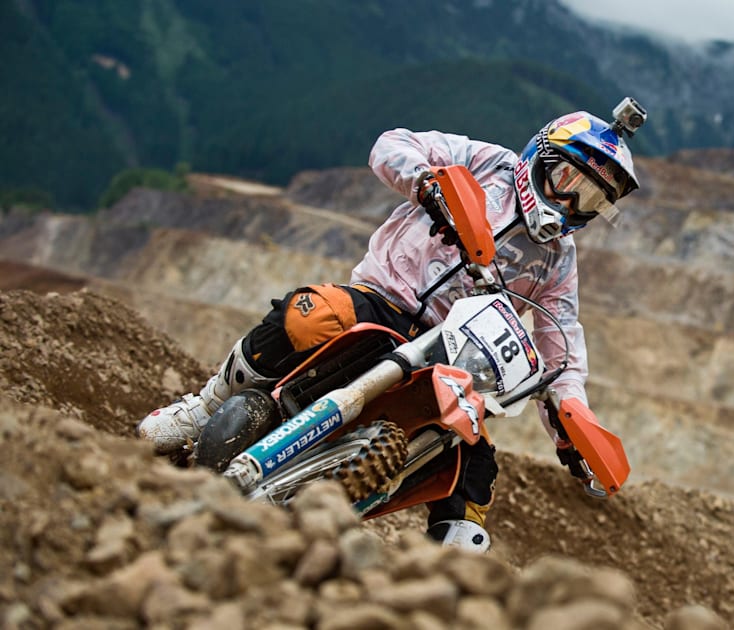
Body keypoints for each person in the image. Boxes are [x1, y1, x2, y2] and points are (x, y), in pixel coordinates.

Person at [138, 98, 646, 552]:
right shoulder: (485, 162)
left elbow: (561, 342)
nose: (573, 204)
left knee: (475, 465)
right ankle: (203, 407)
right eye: (570, 183)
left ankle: (448, 577)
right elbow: (393, 144)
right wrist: (428, 184)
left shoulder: (558, 259)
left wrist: (572, 418)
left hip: (454, 352)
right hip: (382, 300)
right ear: (542, 158)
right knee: (310, 315)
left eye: (594, 200)